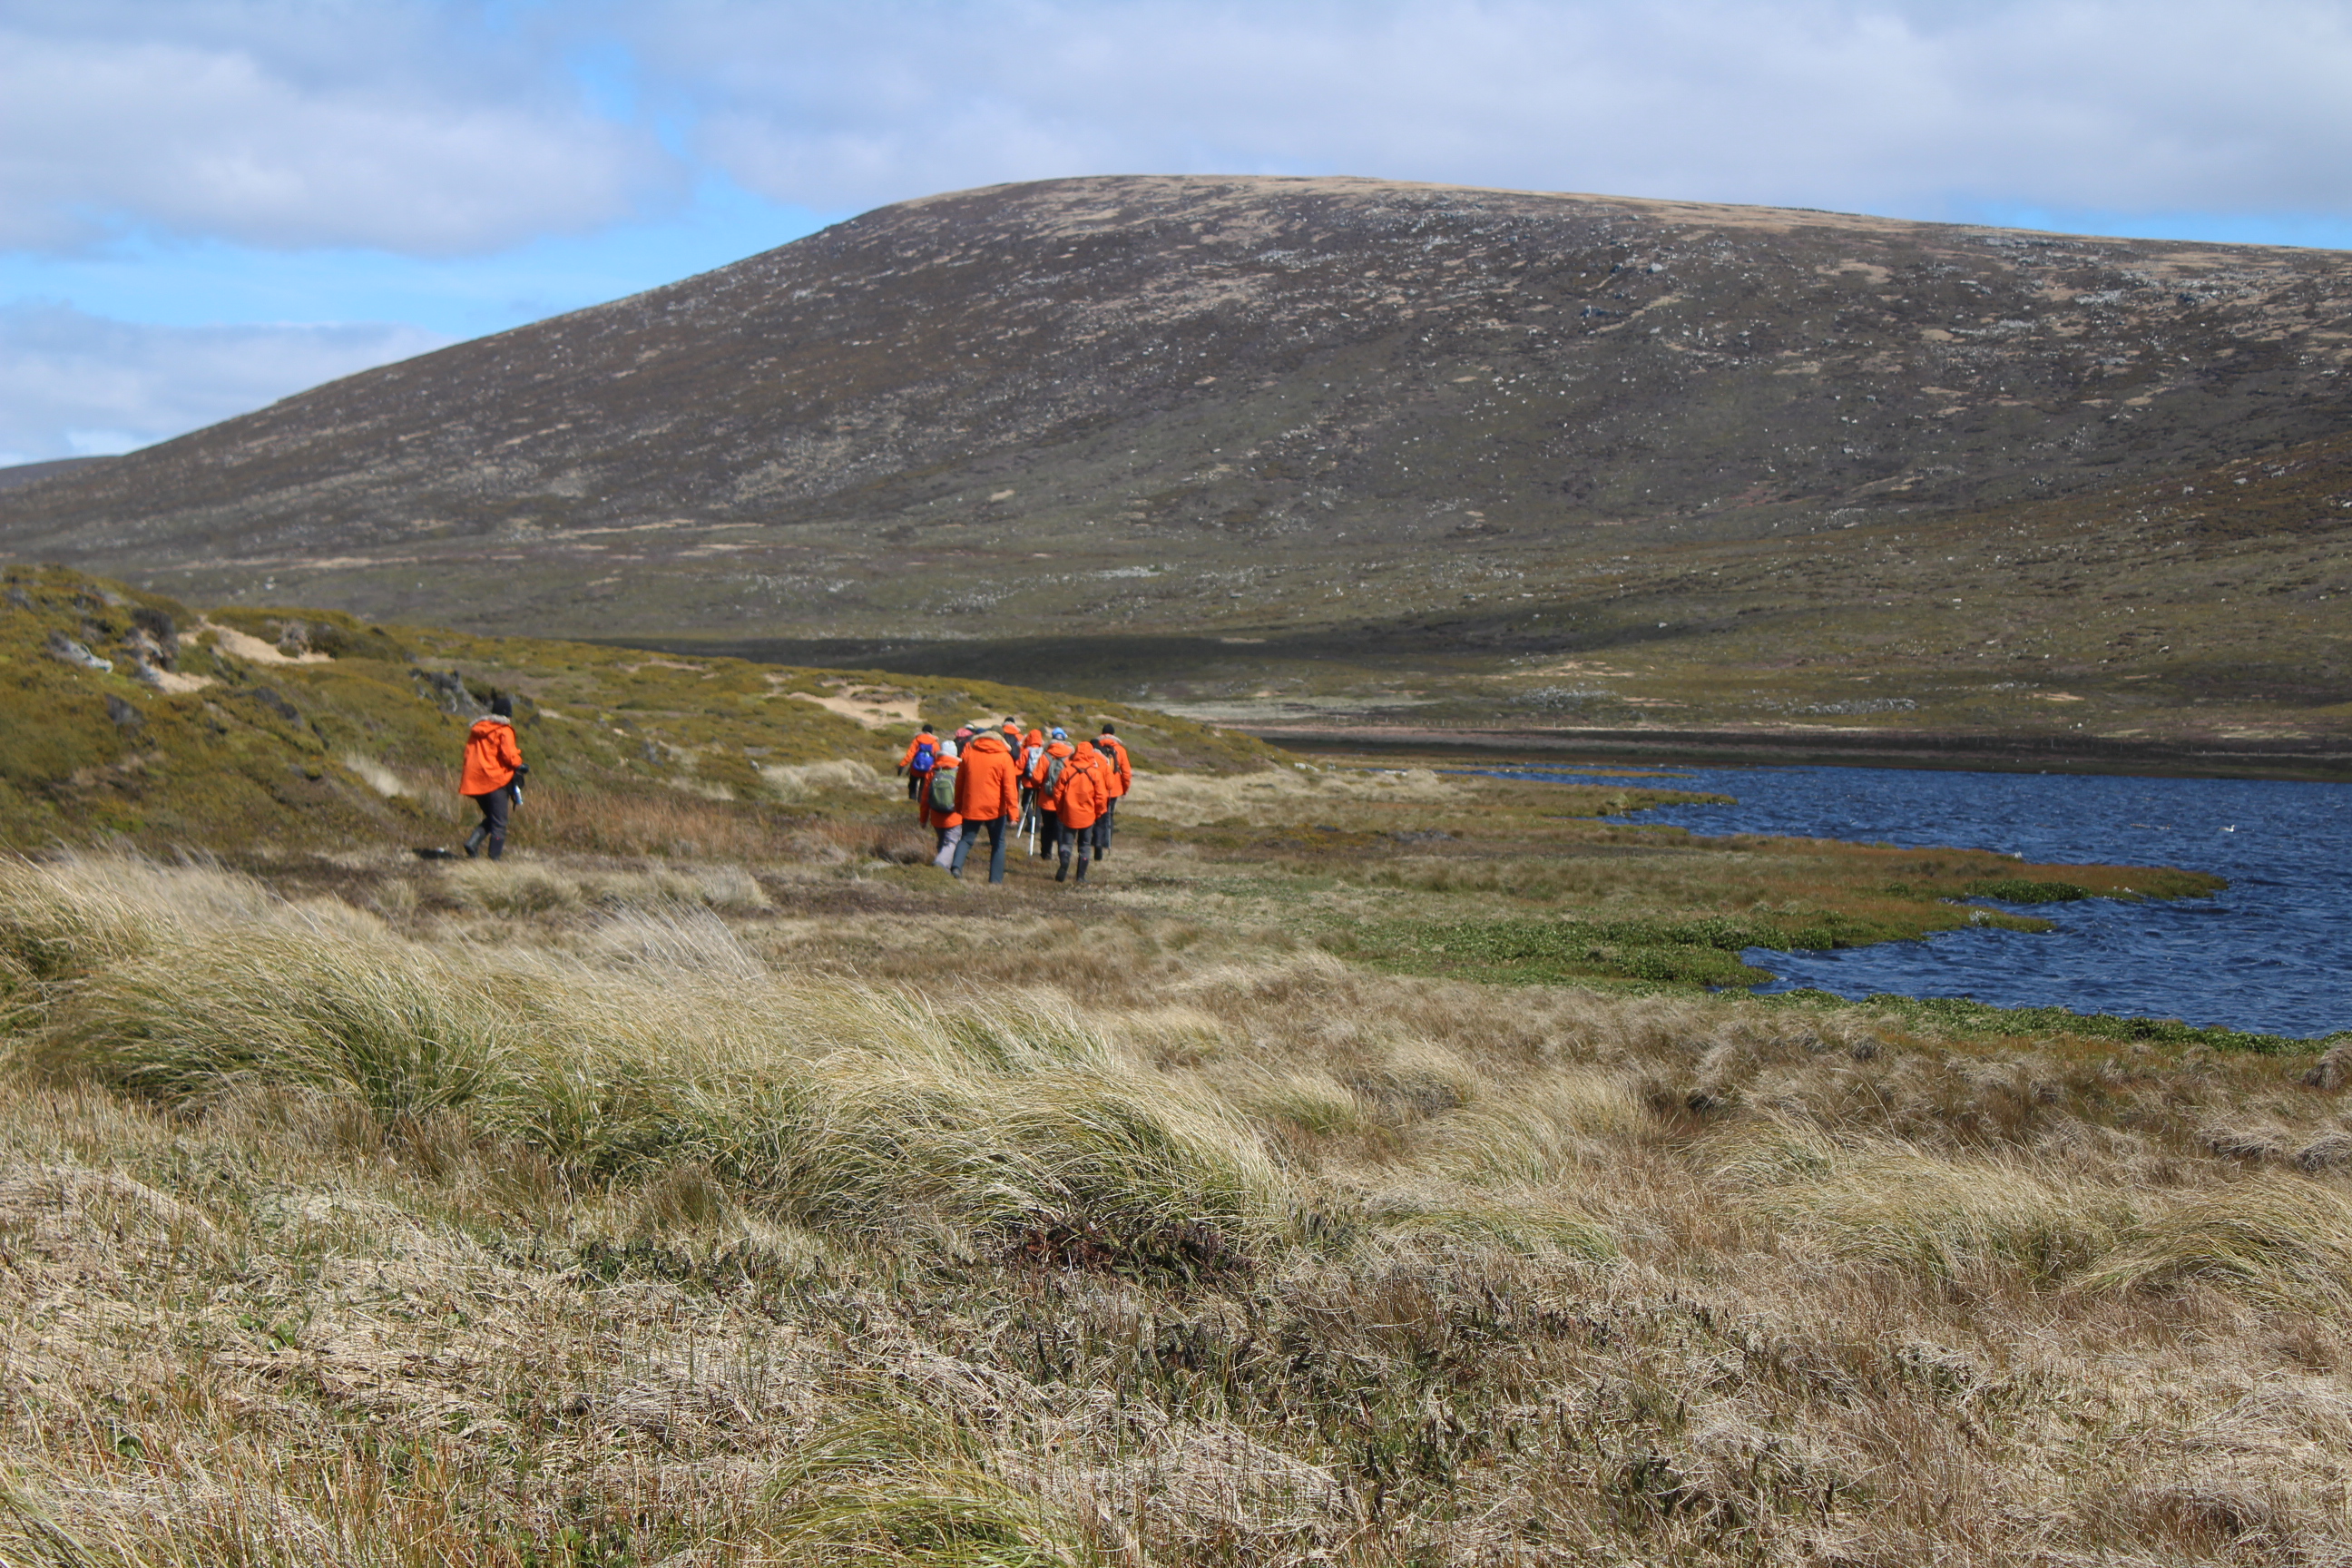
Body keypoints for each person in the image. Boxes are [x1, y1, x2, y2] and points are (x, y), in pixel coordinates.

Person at [950, 724, 1023, 882]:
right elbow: (1010, 788)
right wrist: (1013, 814)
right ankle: (995, 880)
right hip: (995, 808)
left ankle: (956, 866)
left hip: (972, 804)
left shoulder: (969, 754)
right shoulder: (1005, 757)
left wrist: (958, 804)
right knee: (998, 844)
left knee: (966, 839)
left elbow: (960, 783)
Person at [460, 694, 527, 859]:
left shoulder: (478, 729)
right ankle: (493, 861)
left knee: (493, 818)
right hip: (495, 780)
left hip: (474, 781)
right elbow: (510, 756)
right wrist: (520, 765)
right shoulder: (504, 730)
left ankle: (473, 843)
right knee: (500, 822)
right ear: (507, 715)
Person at [1053, 739, 1114, 884]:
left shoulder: (1066, 771)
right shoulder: (1095, 773)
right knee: (1085, 845)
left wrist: (1061, 811)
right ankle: (1080, 876)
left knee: (1067, 843)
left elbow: (1057, 794)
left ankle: (1065, 860)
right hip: (1088, 815)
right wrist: (1099, 812)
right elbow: (1101, 796)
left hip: (1069, 814)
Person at [1027, 727, 1076, 858]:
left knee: (1047, 827)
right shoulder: (1070, 758)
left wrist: (1039, 784)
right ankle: (1062, 852)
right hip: (1063, 800)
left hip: (1046, 799)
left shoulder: (1045, 756)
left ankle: (1046, 853)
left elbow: (1037, 778)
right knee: (1061, 827)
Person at [1093, 722, 1132, 860]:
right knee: (1109, 816)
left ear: (1102, 733)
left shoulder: (1095, 747)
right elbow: (1126, 773)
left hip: (1096, 787)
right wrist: (1125, 789)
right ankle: (1107, 843)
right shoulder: (1120, 750)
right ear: (1114, 735)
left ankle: (1096, 841)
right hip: (1113, 789)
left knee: (1097, 815)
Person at [922, 740, 963, 866]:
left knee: (941, 842)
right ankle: (941, 865)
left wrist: (923, 819)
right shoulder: (960, 770)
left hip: (936, 814)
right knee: (951, 842)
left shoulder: (933, 770)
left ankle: (942, 873)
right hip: (955, 815)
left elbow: (924, 798)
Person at [898, 721, 940, 801]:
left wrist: (902, 765)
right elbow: (937, 758)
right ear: (931, 732)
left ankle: (911, 802)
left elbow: (910, 754)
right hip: (928, 770)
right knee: (923, 789)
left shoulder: (917, 740)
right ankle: (920, 805)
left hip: (915, 769)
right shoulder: (935, 743)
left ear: (922, 730)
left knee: (912, 786)